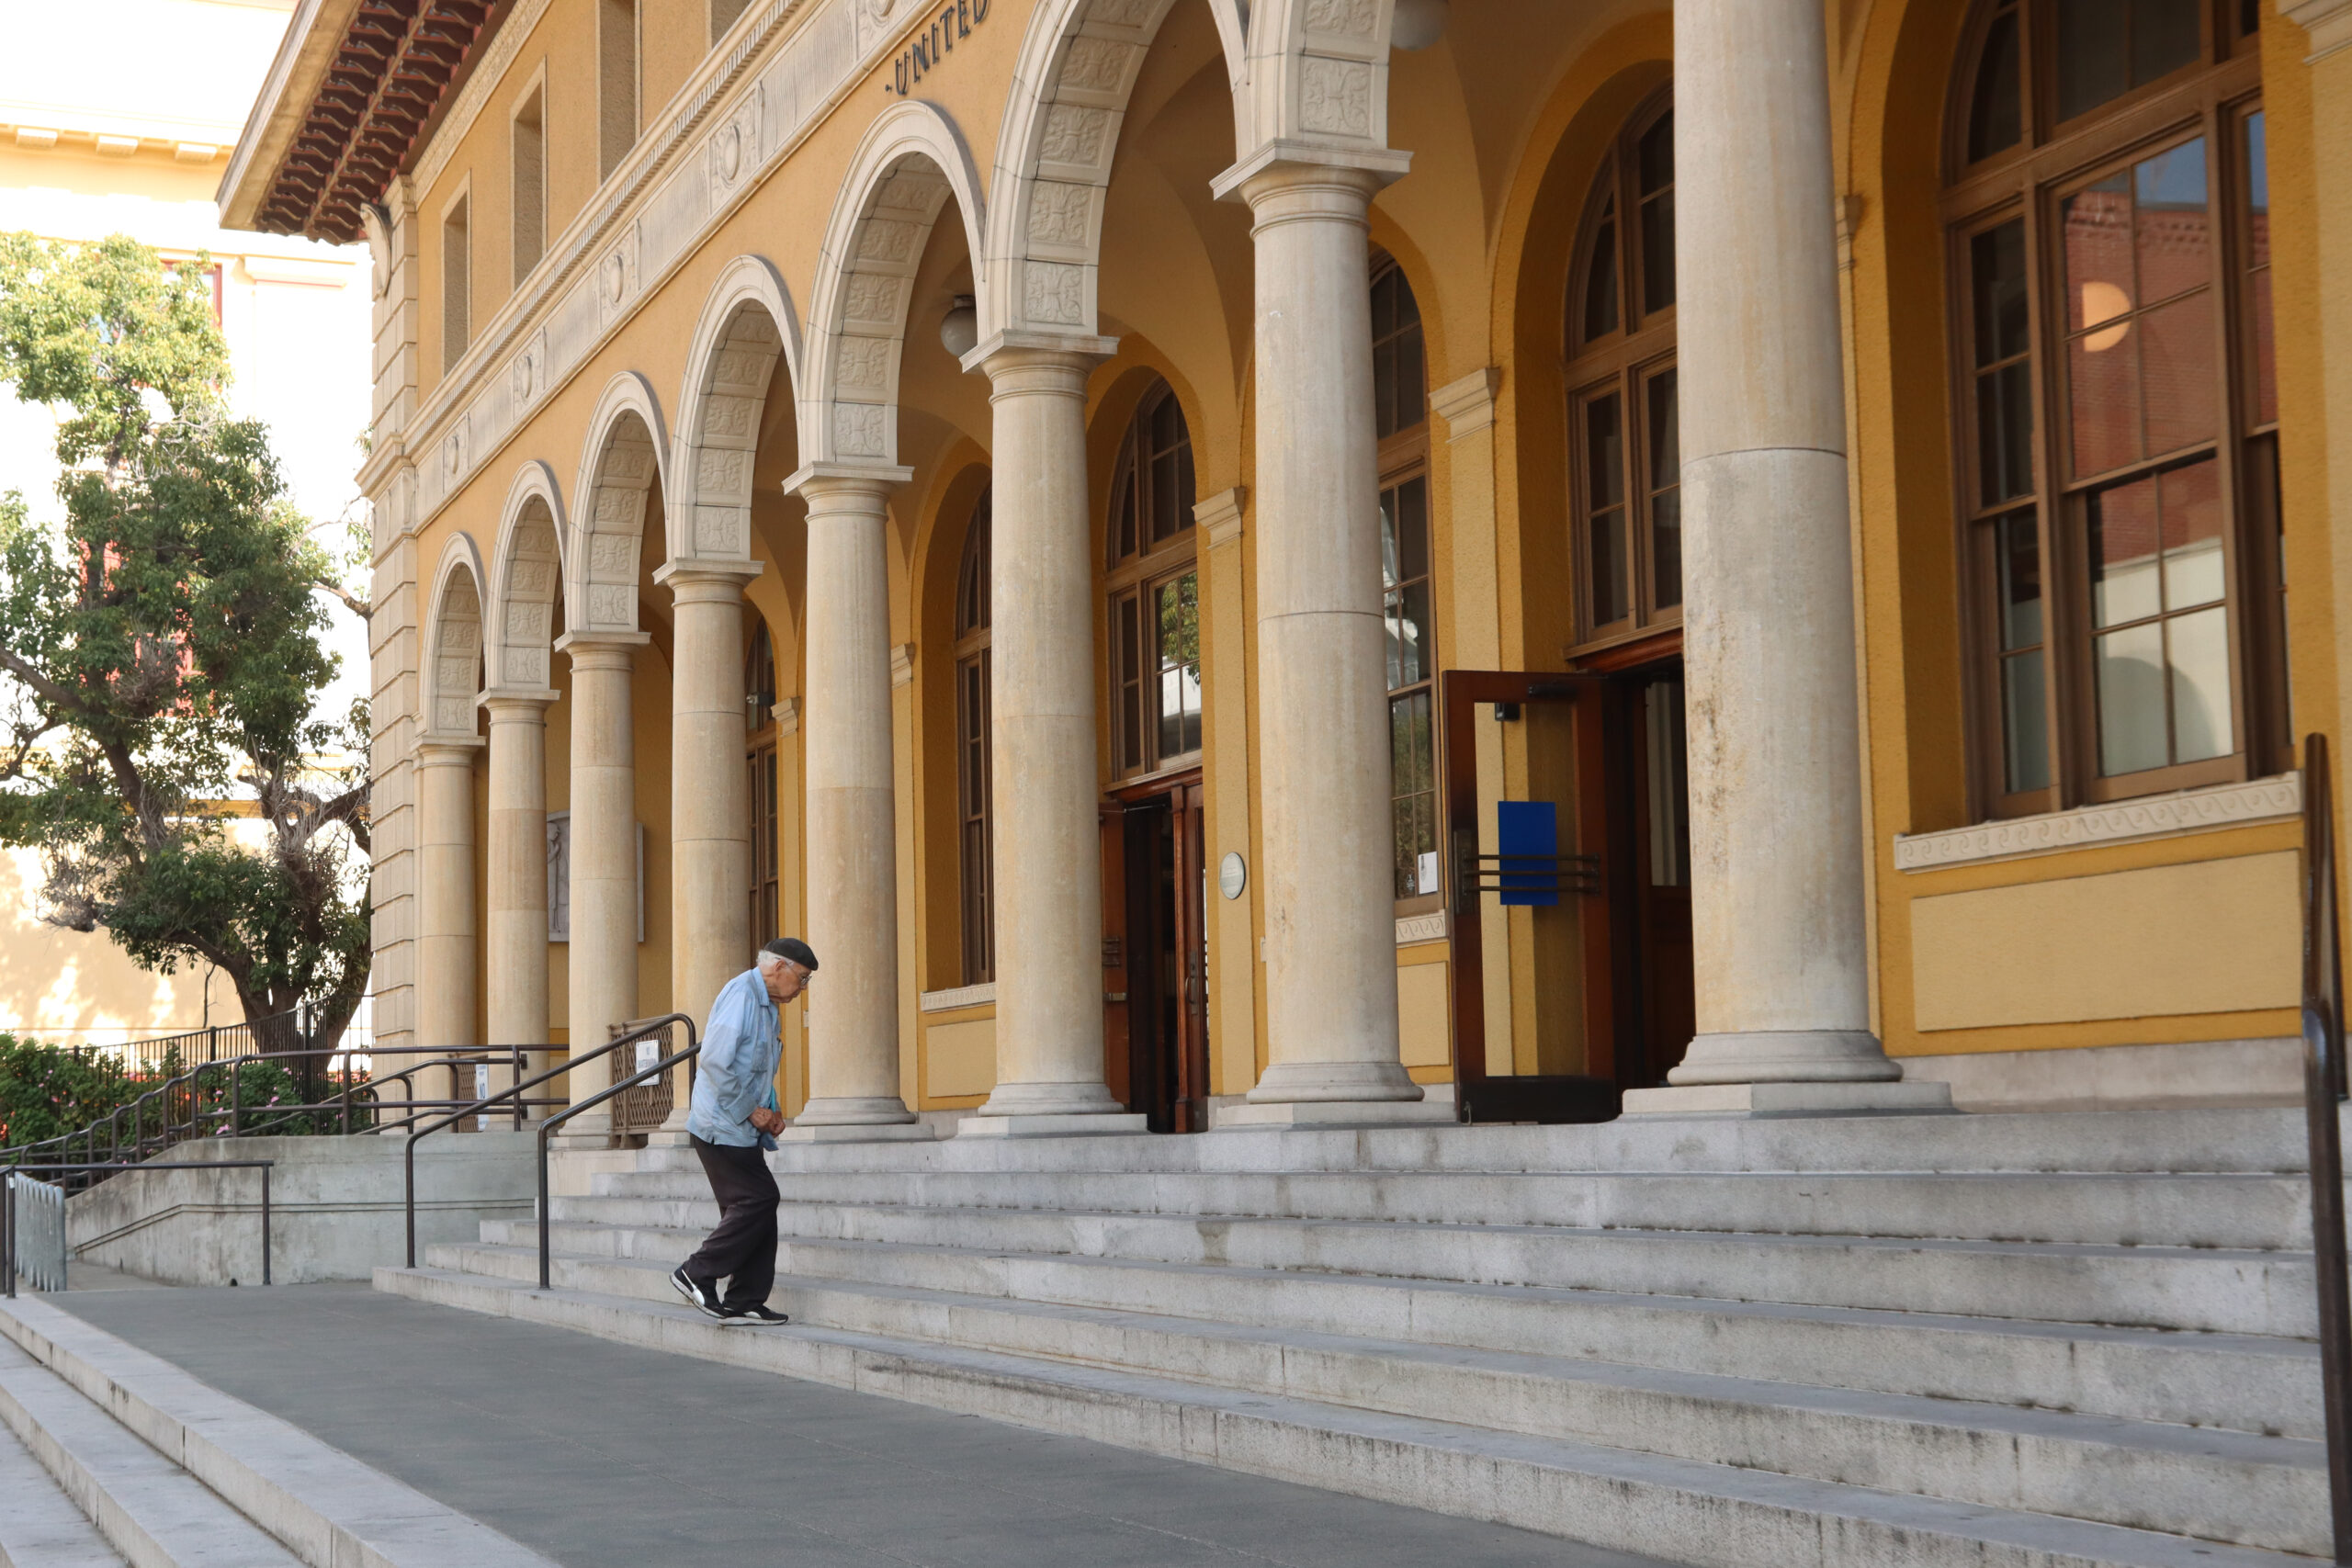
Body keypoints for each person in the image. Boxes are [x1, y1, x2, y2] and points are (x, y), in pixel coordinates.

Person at [669, 937, 814, 1324]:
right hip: (720, 1125)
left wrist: (773, 1110)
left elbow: (758, 1068)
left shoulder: (768, 1007)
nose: (802, 989)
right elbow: (715, 1064)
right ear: (779, 968)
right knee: (759, 1199)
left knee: (754, 1209)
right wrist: (752, 1112)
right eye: (802, 978)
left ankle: (744, 1299)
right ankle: (695, 1272)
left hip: (739, 1126)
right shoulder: (741, 996)